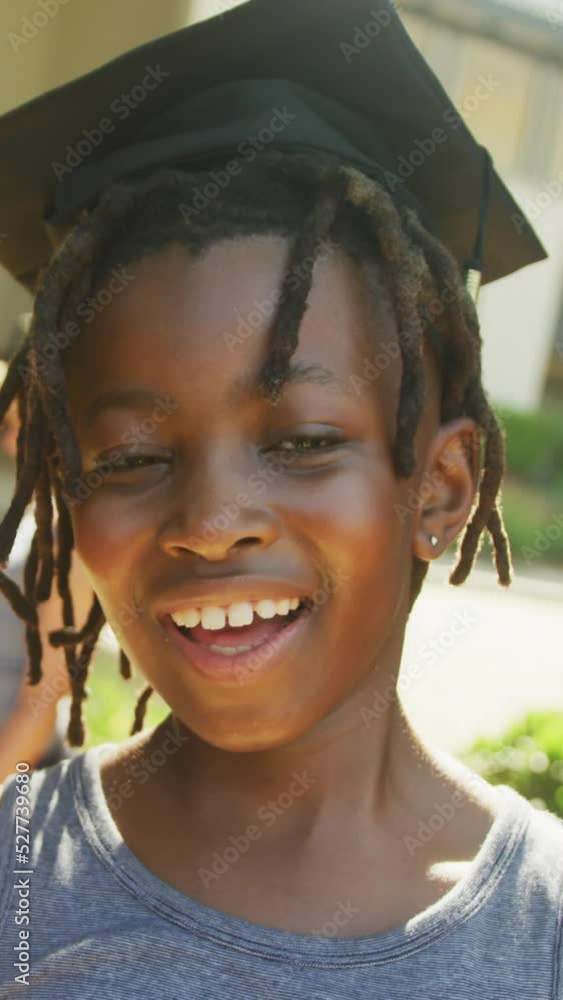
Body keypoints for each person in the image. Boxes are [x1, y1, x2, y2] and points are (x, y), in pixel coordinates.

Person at [0, 0, 561, 995]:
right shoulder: (16, 890)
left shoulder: (542, 934)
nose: (213, 524)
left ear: (441, 487)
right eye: (130, 457)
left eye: (302, 441)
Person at [0, 358, 92, 782]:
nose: (17, 439)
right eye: (9, 428)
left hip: (24, 776)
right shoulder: (17, 523)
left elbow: (45, 697)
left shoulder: (64, 537)